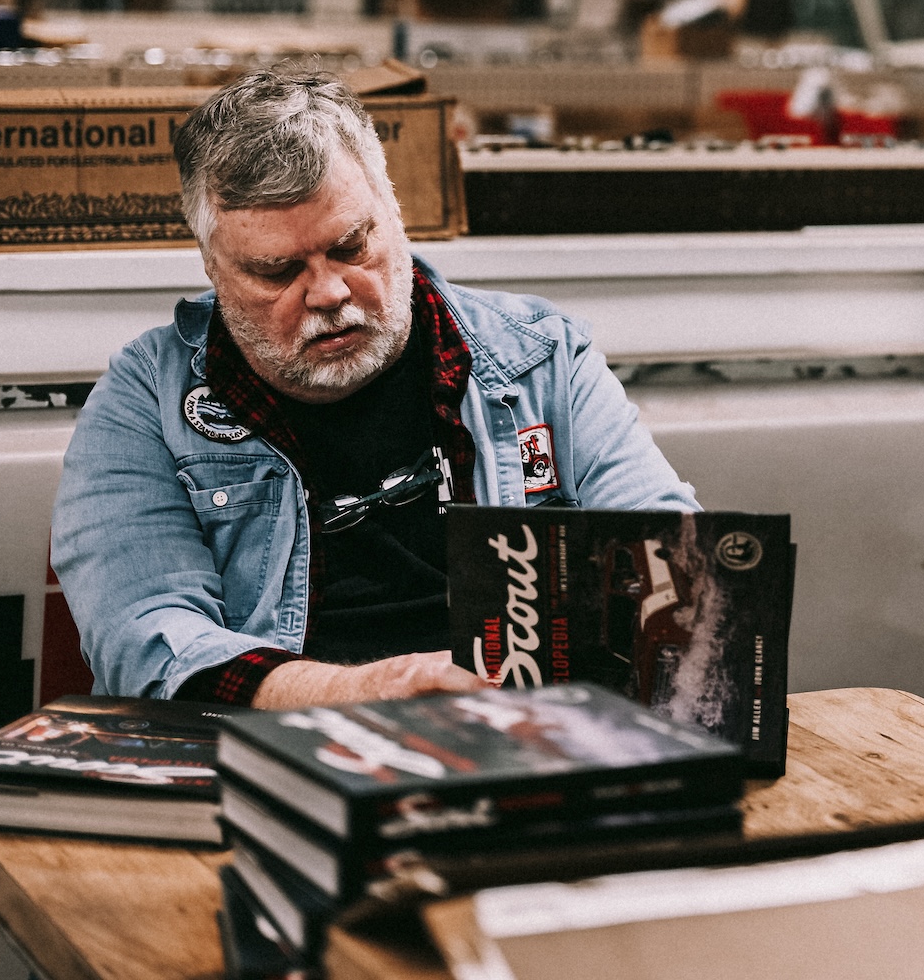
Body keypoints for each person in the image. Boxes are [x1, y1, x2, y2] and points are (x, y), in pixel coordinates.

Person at [52, 71, 694, 709]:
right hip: (276, 755)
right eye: (277, 271)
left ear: (394, 215)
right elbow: (148, 645)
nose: (329, 293)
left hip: (522, 737)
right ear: (213, 268)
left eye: (351, 246)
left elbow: (677, 561)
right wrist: (358, 692)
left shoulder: (539, 359)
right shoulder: (145, 404)